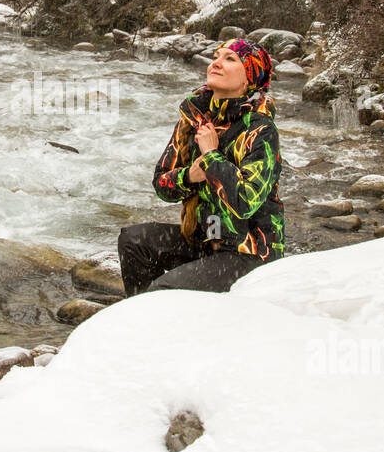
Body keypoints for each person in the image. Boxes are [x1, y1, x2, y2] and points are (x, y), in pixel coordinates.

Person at [118, 37, 286, 296]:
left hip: (250, 252)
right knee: (134, 241)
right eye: (216, 56)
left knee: (162, 291)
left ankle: (156, 319)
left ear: (248, 79)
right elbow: (162, 185)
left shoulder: (260, 129)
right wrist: (190, 176)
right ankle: (141, 319)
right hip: (207, 240)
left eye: (230, 59)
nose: (216, 63)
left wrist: (211, 156)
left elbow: (245, 202)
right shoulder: (195, 117)